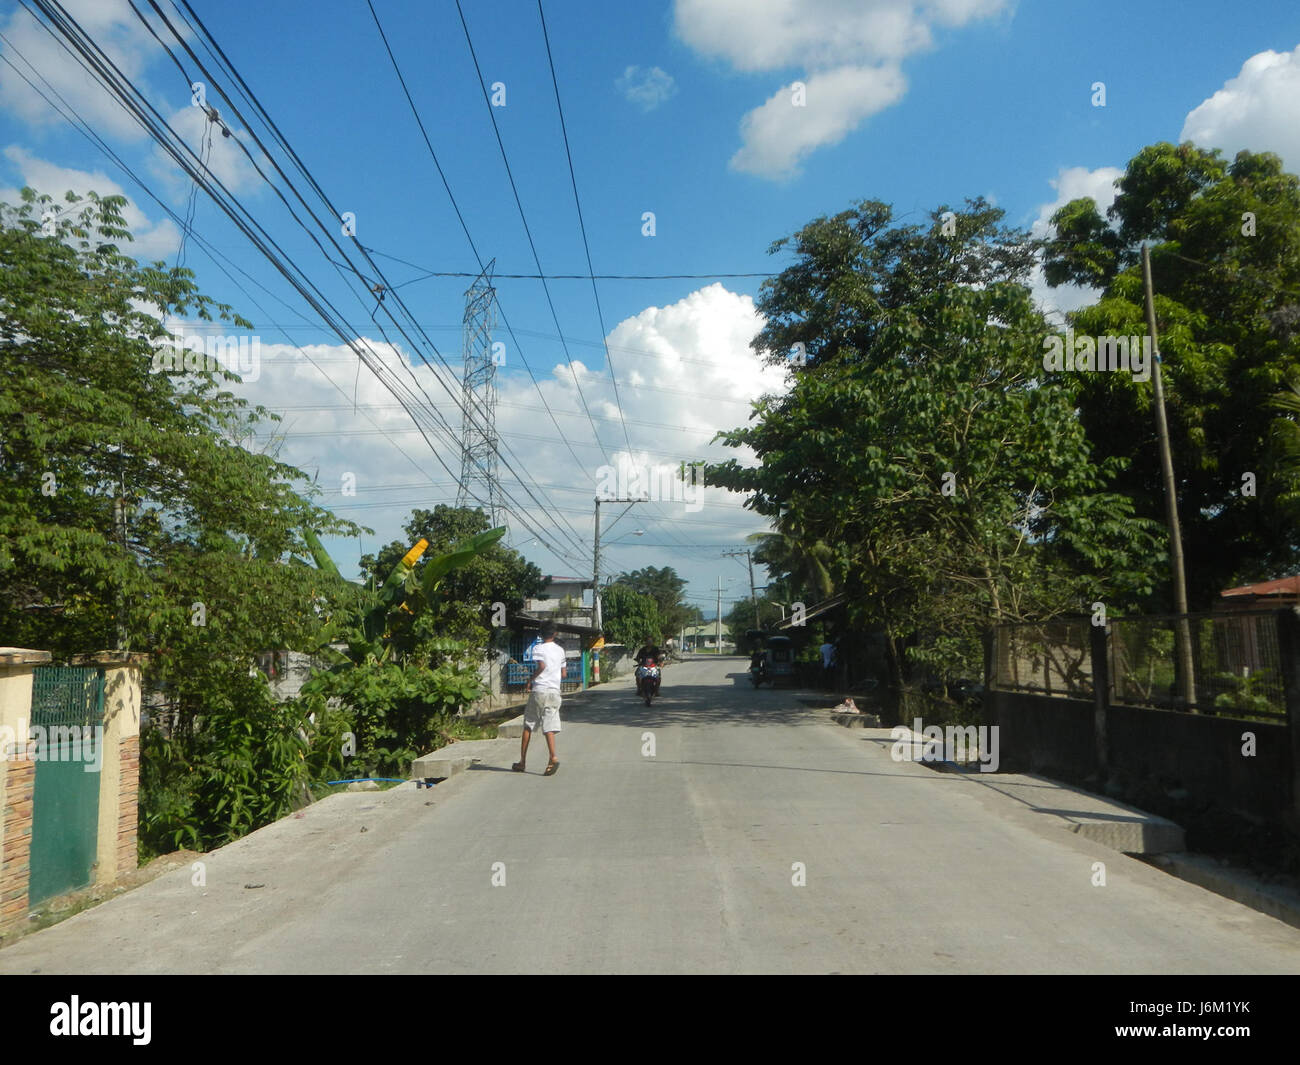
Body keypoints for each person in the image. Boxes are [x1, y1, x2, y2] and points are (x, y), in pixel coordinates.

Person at [514, 623, 564, 776]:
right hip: (554, 692)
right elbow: (564, 674)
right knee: (548, 726)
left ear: (541, 635)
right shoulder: (561, 650)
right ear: (555, 634)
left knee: (528, 725)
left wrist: (530, 680)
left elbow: (541, 665)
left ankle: (522, 762)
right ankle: (553, 757)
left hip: (540, 690)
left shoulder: (538, 649)